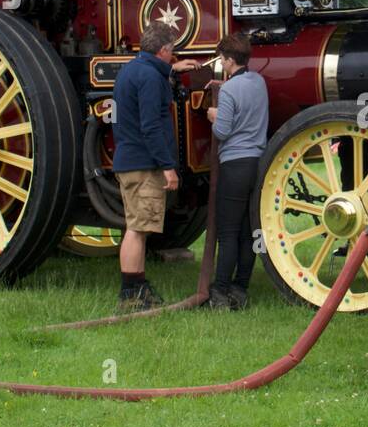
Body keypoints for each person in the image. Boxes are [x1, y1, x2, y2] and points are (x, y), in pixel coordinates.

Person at [111, 23, 198, 309]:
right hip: (144, 165)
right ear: (163, 49)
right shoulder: (150, 78)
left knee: (137, 226)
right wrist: (168, 167)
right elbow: (151, 126)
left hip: (129, 160)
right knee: (138, 228)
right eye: (172, 51)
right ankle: (131, 293)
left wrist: (174, 70)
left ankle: (137, 287)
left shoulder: (133, 69)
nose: (173, 55)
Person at [205, 33, 268, 310]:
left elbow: (223, 131)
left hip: (234, 164)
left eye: (222, 58)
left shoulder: (230, 91)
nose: (221, 61)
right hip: (258, 162)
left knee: (227, 232)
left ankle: (218, 291)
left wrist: (213, 116)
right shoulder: (259, 82)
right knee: (248, 231)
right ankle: (240, 289)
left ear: (230, 59)